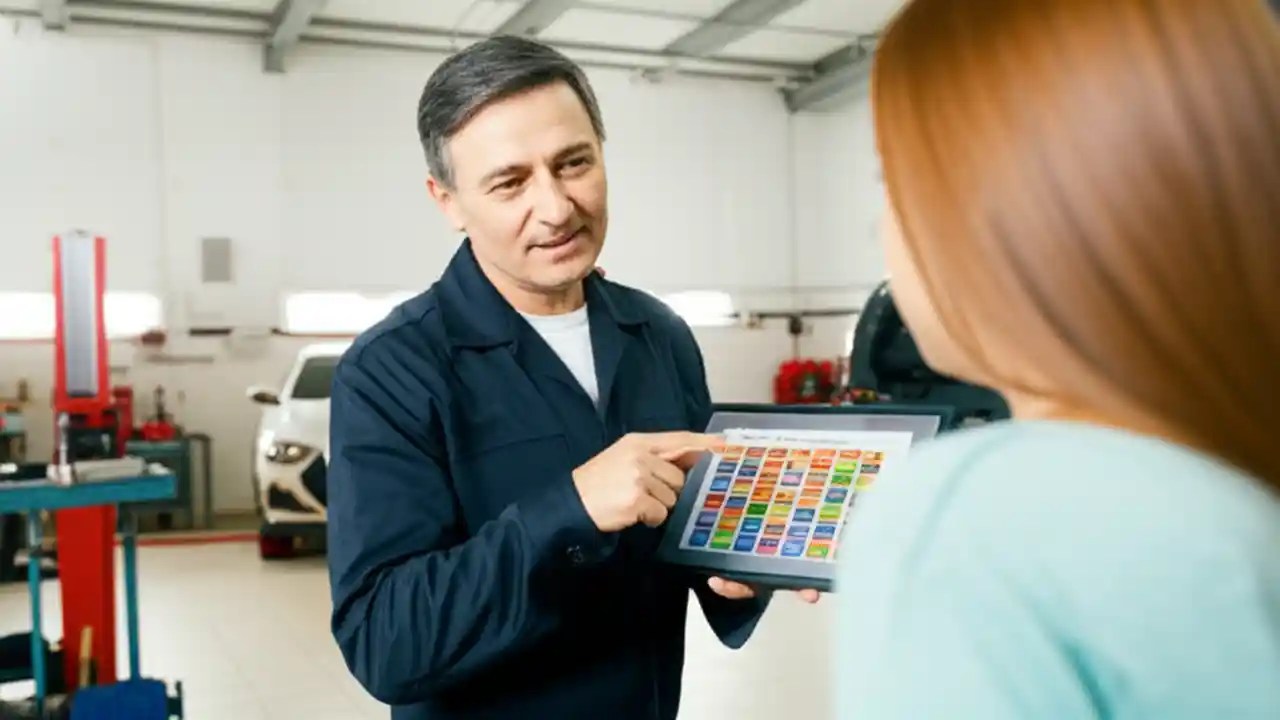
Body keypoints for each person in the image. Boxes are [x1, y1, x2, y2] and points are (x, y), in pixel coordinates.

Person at [325, 36, 816, 720]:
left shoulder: (659, 336)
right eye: (510, 182)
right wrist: (570, 509)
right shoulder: (392, 372)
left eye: (573, 163)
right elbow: (385, 640)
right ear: (448, 201)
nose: (556, 208)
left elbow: (690, 547)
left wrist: (742, 571)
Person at [835, 0, 1280, 718]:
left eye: (894, 184)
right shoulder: (1239, 485)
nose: (883, 227)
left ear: (1011, 212)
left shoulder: (968, 518)